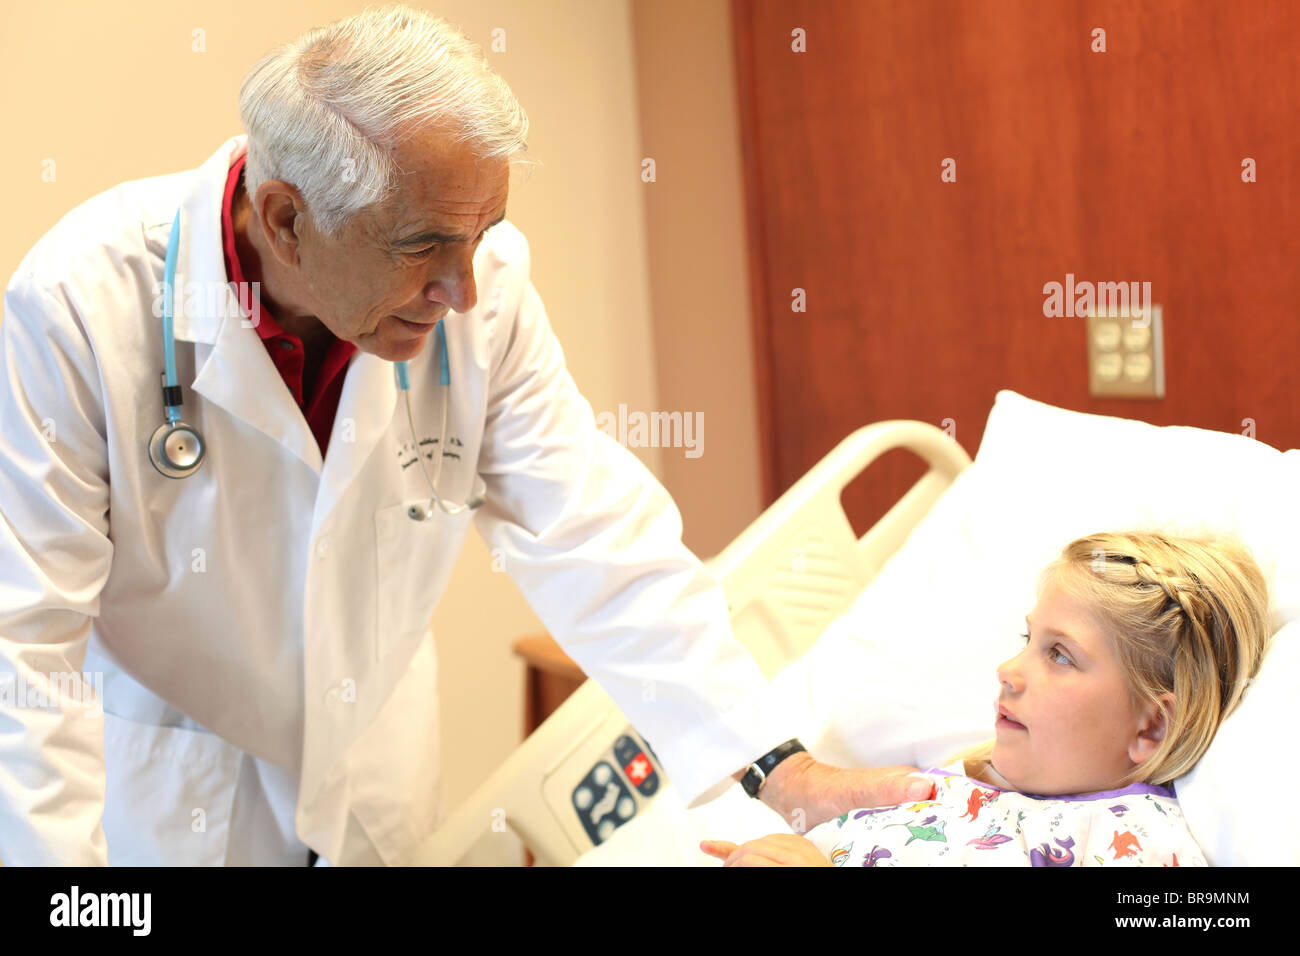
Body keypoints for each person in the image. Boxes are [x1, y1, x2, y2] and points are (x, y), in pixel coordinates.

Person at [0, 5, 922, 866]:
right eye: (422, 245)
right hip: (174, 785)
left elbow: (589, 534)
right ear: (286, 219)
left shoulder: (486, 293)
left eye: (483, 234)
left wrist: (775, 768)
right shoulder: (85, 305)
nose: (466, 290)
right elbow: (23, 643)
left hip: (372, 759)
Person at [701, 530, 1273, 866]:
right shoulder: (942, 788)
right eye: (1028, 641)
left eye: (1060, 655)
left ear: (1149, 728)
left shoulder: (1134, 838)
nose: (1007, 671)